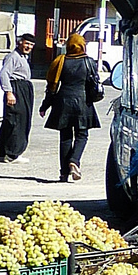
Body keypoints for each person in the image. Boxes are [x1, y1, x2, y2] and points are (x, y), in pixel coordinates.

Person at [39, 33, 101, 183]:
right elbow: (94, 82)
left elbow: (52, 87)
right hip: (83, 103)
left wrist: (45, 105)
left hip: (63, 102)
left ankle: (63, 174)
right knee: (82, 135)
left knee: (65, 138)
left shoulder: (60, 61)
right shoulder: (89, 62)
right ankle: (75, 161)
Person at [0, 33, 38, 163]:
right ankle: (12, 154)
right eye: (26, 43)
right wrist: (9, 92)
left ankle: (1, 153)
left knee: (12, 121)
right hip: (16, 89)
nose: (28, 47)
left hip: (23, 88)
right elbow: (4, 74)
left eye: (31, 45)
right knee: (17, 121)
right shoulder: (13, 56)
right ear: (20, 42)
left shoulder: (23, 57)